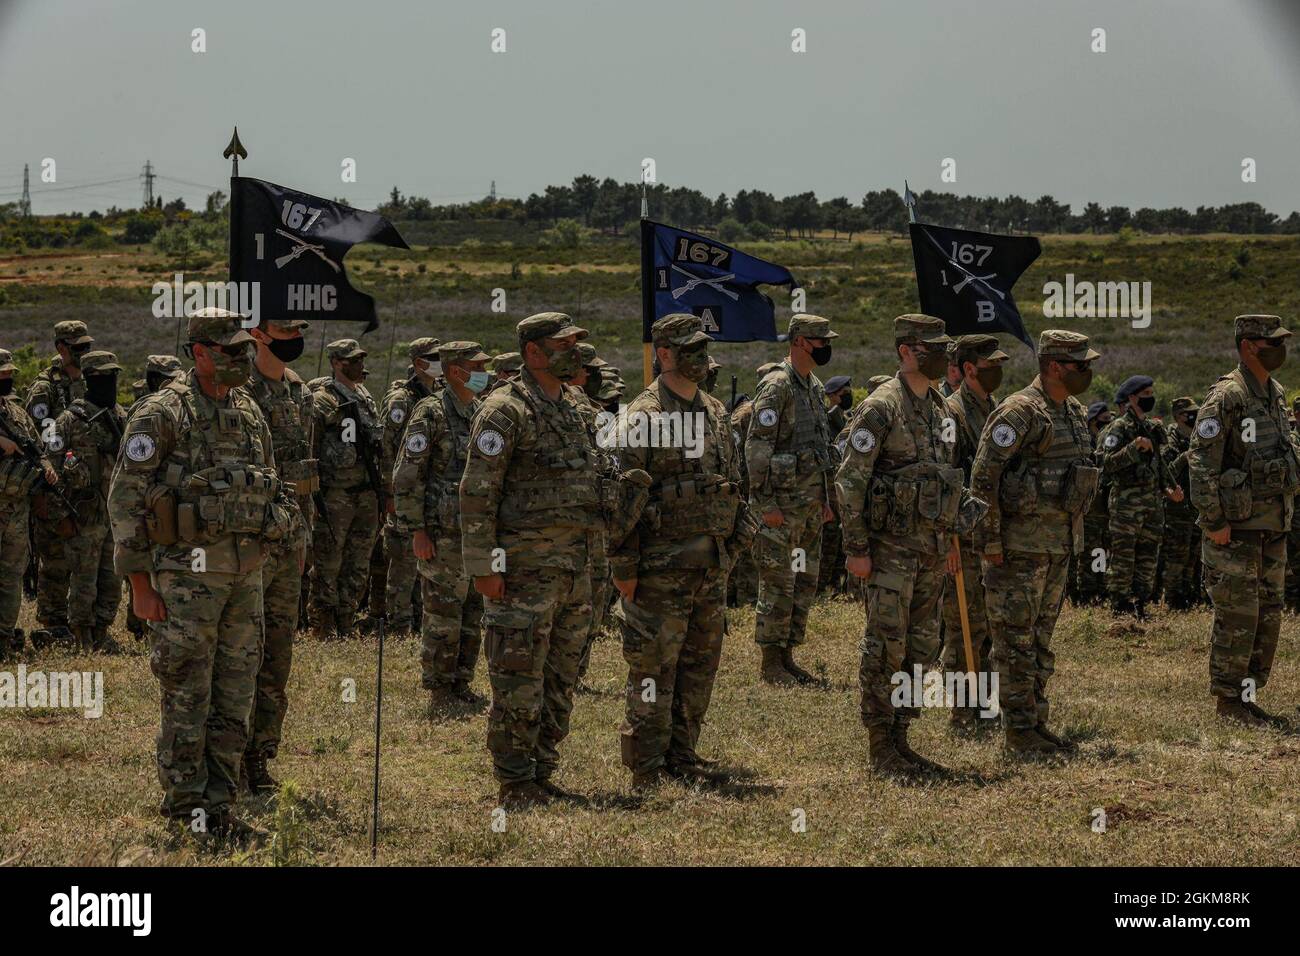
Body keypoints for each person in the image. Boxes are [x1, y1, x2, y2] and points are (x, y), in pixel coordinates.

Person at [108, 307, 301, 842]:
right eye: (230, 351)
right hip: (184, 582)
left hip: (245, 578)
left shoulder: (249, 412)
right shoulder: (162, 413)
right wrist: (140, 586)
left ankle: (220, 806)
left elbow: (273, 483)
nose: (242, 358)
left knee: (235, 694)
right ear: (199, 352)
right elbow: (125, 500)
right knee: (189, 691)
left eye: (244, 350)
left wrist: (277, 524)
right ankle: (186, 808)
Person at [460, 312, 599, 807]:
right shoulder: (504, 410)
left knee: (562, 676)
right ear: (533, 353)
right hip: (520, 571)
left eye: (577, 343)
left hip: (574, 570)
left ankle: (542, 768)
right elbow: (478, 495)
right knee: (518, 678)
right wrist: (484, 566)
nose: (575, 352)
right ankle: (515, 780)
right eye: (563, 344)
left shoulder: (578, 407)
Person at [608, 314, 752, 788]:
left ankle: (682, 755)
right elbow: (622, 502)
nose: (699, 357)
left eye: (702, 348)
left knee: (698, 664)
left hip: (709, 564)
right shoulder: (643, 417)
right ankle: (646, 766)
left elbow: (729, 482)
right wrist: (624, 567)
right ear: (663, 354)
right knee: (653, 667)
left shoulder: (714, 410)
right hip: (658, 568)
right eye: (687, 349)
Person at [836, 315, 962, 776]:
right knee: (885, 645)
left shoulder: (941, 410)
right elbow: (850, 480)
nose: (941, 355)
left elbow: (945, 478)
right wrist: (856, 548)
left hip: (929, 549)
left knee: (921, 646)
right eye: (932, 347)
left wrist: (949, 537)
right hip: (889, 549)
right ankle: (879, 744)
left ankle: (902, 738)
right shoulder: (880, 407)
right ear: (906, 351)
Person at [971, 330, 1103, 758]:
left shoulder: (1074, 412)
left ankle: (1035, 722)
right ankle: (1018, 732)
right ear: (1052, 367)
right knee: (1014, 643)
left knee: (1040, 641)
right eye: (1078, 365)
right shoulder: (1019, 411)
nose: (1086, 372)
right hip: (1017, 550)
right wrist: (989, 540)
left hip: (1058, 547)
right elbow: (983, 478)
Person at [1189, 315, 1298, 727]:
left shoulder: (1275, 392)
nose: (1280, 348)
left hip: (1273, 525)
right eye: (1272, 341)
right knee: (1238, 615)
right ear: (1248, 345)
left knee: (1268, 614)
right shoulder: (1227, 396)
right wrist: (1213, 519)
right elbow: (1201, 462)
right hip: (1235, 529)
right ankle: (1228, 701)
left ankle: (1247, 696)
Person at [393, 341, 491, 710]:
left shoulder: (481, 411)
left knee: (471, 613)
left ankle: (462, 681)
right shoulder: (430, 412)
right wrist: (416, 530)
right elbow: (407, 475)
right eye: (476, 366)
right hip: (441, 534)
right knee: (442, 615)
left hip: (474, 534)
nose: (483, 371)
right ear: (455, 371)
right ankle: (440, 688)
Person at [241, 317, 316, 791]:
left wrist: (304, 534)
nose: (295, 341)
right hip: (250, 541)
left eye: (297, 332)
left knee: (278, 652)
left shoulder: (299, 391)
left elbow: (305, 471)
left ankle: (260, 754)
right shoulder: (240, 391)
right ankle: (227, 750)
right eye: (285, 333)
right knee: (242, 649)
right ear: (258, 335)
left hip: (290, 541)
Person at [746, 315, 837, 685]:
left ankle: (787, 656)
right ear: (800, 342)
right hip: (780, 510)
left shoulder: (813, 386)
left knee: (802, 581)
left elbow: (819, 448)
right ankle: (770, 663)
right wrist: (765, 502)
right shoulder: (777, 386)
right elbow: (756, 446)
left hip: (809, 508)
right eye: (820, 340)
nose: (825, 346)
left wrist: (827, 499)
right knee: (778, 582)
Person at [940, 334, 1007, 734]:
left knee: (988, 628)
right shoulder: (952, 414)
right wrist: (948, 539)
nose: (997, 371)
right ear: (968, 369)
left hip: (991, 536)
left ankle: (986, 704)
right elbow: (946, 480)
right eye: (990, 364)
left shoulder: (995, 410)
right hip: (962, 540)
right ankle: (963, 713)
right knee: (964, 625)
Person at [51, 350, 127, 653]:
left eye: (112, 377)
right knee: (84, 580)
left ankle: (101, 631)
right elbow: (49, 466)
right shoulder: (69, 419)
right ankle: (81, 635)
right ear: (87, 380)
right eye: (100, 378)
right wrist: (60, 515)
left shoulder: (122, 416)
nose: (107, 383)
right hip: (84, 513)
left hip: (116, 514)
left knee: (112, 581)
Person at [25, 320, 95, 643]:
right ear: (61, 348)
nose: (83, 354)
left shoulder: (88, 382)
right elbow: (33, 441)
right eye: (77, 348)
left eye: (86, 347)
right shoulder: (45, 389)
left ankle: (78, 619)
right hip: (51, 482)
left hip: (80, 484)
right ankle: (52, 621)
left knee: (80, 555)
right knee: (53, 556)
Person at [308, 340, 383, 639]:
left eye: (361, 358)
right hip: (335, 494)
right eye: (353, 360)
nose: (360, 365)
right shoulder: (323, 400)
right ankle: (323, 625)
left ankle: (346, 618)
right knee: (329, 560)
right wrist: (313, 494)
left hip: (366, 491)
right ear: (337, 363)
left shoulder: (364, 396)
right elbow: (312, 446)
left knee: (358, 561)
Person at [373, 337, 441, 636]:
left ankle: (417, 619)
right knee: (401, 562)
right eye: (432, 357)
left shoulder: (436, 394)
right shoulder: (402, 399)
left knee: (422, 561)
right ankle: (398, 624)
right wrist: (390, 492)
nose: (438, 362)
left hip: (427, 489)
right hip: (403, 489)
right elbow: (388, 448)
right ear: (417, 363)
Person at [1096, 375, 1179, 619]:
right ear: (1132, 398)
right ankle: (1120, 606)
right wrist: (1133, 448)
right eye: (1145, 395)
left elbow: (1160, 464)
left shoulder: (1152, 428)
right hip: (1126, 506)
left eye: (1152, 394)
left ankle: (1141, 603)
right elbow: (1106, 463)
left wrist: (1170, 488)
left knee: (1148, 556)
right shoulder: (1119, 428)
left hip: (1152, 504)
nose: (1150, 399)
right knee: (1123, 557)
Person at [0, 349, 56, 662]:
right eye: (2, 374)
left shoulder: (17, 414)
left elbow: (37, 446)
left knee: (12, 574)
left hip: (16, 509)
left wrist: (47, 465)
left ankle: (4, 637)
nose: (7, 379)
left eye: (9, 374)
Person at [725, 361, 780, 608]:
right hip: (746, 490)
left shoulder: (776, 410)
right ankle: (743, 599)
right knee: (747, 543)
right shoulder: (746, 414)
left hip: (767, 488)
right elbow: (732, 452)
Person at [1068, 401, 1114, 606]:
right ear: (1092, 421)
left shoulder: (1107, 442)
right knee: (1086, 551)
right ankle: (1084, 591)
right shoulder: (1085, 444)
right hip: (1088, 509)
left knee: (1101, 551)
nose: (1108, 424)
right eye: (1103, 420)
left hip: (1104, 508)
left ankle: (1099, 588)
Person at [1160, 397, 1203, 610]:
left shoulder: (1197, 439)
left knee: (1193, 553)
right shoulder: (1171, 441)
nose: (1193, 416)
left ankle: (1189, 592)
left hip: (1195, 506)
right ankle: (1173, 596)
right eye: (1189, 413)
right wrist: (1185, 457)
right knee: (1177, 553)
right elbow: (1165, 472)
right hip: (1176, 508)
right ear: (1178, 416)